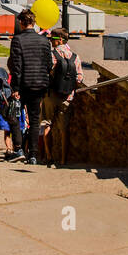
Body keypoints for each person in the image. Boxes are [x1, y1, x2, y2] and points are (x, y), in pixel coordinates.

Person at [7, 8, 53, 165]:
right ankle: (33, 154)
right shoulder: (45, 41)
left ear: (21, 22)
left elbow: (16, 67)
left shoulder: (17, 40)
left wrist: (15, 88)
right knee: (34, 120)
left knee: (13, 115)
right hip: (40, 85)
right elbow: (49, 64)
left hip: (23, 84)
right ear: (34, 23)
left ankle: (19, 148)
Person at [41, 27, 82, 166]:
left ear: (59, 40)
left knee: (47, 125)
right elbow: (79, 79)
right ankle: (64, 159)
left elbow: (46, 73)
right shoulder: (75, 57)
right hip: (68, 97)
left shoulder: (52, 55)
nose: (51, 42)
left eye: (52, 39)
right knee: (64, 130)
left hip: (51, 95)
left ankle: (49, 156)